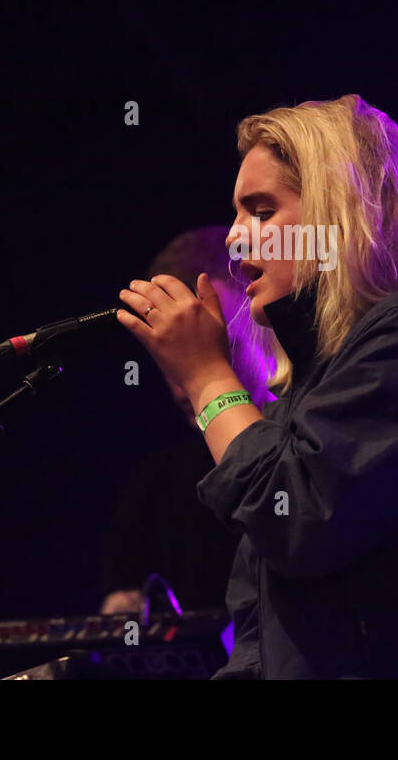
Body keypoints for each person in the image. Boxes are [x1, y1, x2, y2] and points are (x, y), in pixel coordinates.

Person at [116, 93, 398, 678]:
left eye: (260, 210)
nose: (233, 238)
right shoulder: (309, 385)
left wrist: (206, 377)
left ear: (337, 213)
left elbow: (297, 518)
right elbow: (263, 629)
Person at [99, 228, 275, 616]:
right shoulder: (154, 481)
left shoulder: (313, 433)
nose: (183, 380)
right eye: (172, 349)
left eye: (208, 339)